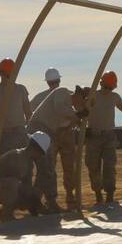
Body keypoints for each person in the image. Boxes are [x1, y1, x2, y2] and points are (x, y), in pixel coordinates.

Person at [85, 70, 122, 206]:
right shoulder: (93, 96)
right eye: (106, 87)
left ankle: (110, 195)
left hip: (109, 136)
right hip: (93, 136)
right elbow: (83, 109)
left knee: (109, 167)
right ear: (101, 84)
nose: (107, 90)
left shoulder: (114, 97)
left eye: (110, 88)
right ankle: (98, 195)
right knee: (93, 166)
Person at [29, 67, 79, 212]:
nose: (54, 85)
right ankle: (57, 199)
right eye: (53, 82)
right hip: (53, 133)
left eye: (53, 82)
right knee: (50, 167)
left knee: (57, 166)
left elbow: (29, 112)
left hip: (62, 133)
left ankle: (65, 197)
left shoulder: (56, 95)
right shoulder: (65, 93)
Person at [0, 131, 51, 221]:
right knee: (13, 184)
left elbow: (27, 188)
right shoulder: (17, 157)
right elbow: (15, 186)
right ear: (37, 150)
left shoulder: (29, 163)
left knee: (30, 192)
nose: (41, 157)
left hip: (2, 189)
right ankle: (6, 214)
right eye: (42, 153)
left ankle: (3, 212)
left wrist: (35, 203)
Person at [0, 57, 31, 154]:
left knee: (5, 166)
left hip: (4, 136)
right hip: (17, 135)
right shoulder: (21, 89)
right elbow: (28, 113)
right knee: (22, 165)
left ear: (0, 72)